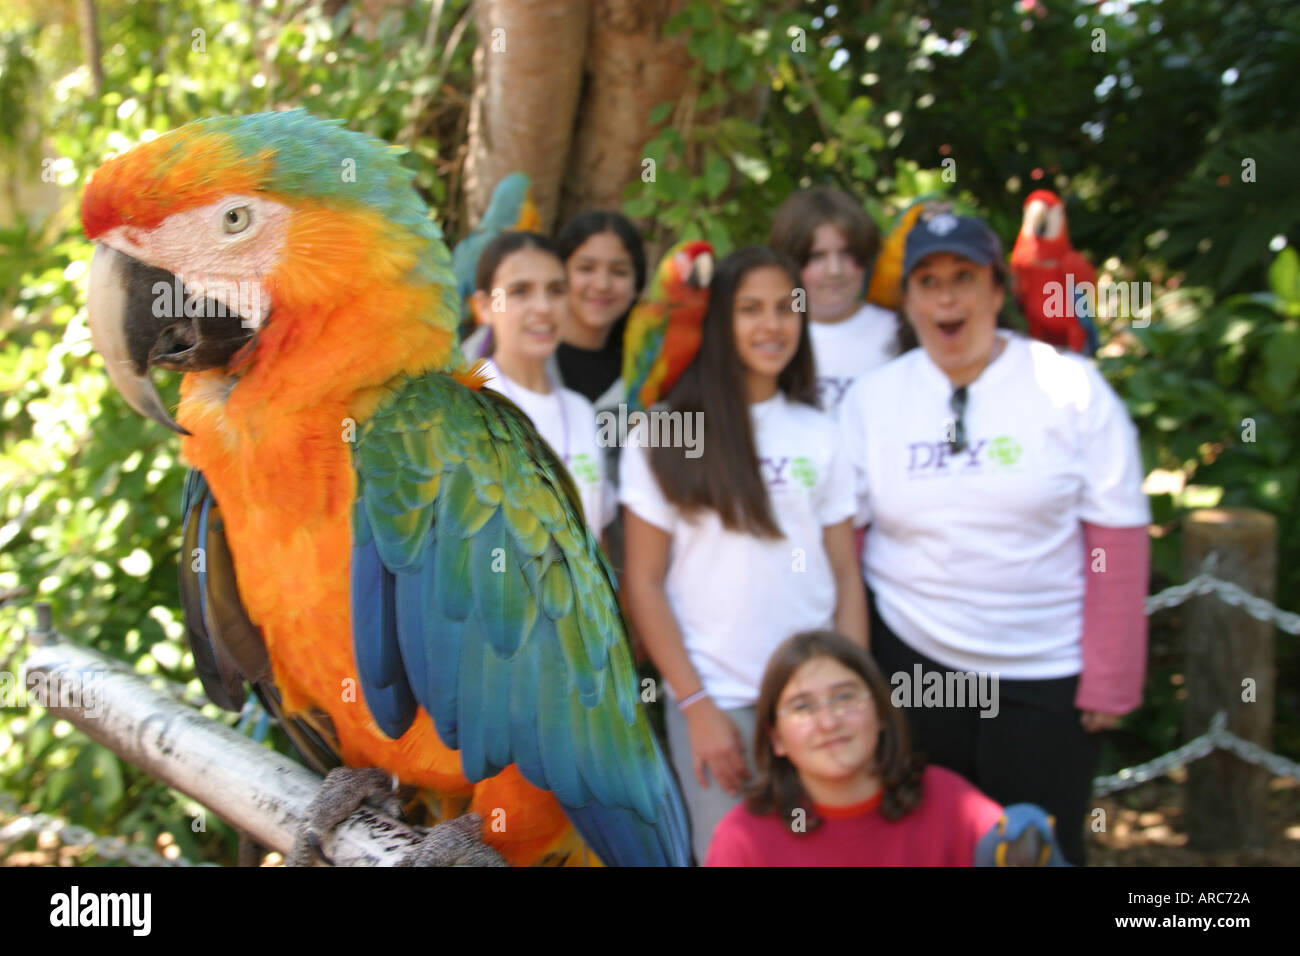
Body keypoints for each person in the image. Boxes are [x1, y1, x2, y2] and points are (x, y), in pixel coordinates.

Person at [836, 211, 1151, 865]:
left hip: (1044, 672)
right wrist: (855, 672)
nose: (946, 299)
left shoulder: (1071, 387)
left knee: (1038, 847)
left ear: (996, 290)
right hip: (914, 661)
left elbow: (1115, 535)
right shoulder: (873, 400)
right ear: (907, 299)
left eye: (963, 278)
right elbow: (848, 545)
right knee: (923, 848)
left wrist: (1112, 675)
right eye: (927, 282)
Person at [620, 246, 868, 862]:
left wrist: (855, 692)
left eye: (786, 308)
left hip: (817, 700)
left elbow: (844, 573)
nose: (772, 325)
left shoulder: (821, 432)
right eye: (750, 308)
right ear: (719, 319)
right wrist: (695, 706)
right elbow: (644, 583)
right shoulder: (662, 433)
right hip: (715, 697)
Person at [705, 630, 1005, 866]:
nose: (828, 722)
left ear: (881, 713)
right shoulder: (744, 840)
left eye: (845, 697)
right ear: (776, 739)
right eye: (802, 707)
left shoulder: (947, 800)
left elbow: (1015, 842)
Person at [468, 231, 615, 533]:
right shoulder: (462, 407)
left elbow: (596, 538)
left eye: (556, 290)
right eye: (520, 291)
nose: (544, 307)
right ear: (484, 307)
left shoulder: (580, 411)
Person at [768, 186, 898, 413]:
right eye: (817, 256)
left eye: (847, 253)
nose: (834, 270)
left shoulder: (898, 331)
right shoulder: (770, 335)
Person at [553, 210, 648, 409]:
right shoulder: (520, 357)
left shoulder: (644, 375)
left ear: (637, 287)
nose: (602, 285)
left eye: (619, 272)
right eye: (586, 268)